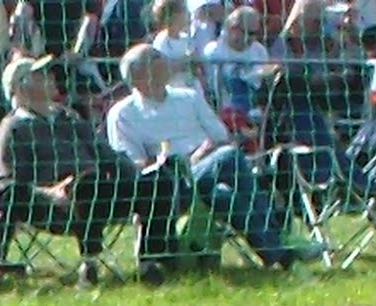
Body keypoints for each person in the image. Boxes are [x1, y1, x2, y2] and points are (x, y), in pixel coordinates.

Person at [101, 40, 299, 267]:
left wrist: (204, 152)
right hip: (168, 185)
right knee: (229, 156)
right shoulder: (123, 114)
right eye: (154, 59)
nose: (164, 62)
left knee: (224, 195)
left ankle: (277, 254)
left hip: (208, 168)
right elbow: (133, 165)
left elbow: (220, 135)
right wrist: (180, 160)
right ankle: (280, 239)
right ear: (137, 77)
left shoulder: (188, 97)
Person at [0, 53, 133, 281]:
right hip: (51, 206)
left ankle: (154, 261)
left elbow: (105, 154)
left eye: (47, 72)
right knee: (82, 186)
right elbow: (6, 181)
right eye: (39, 74)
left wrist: (138, 172)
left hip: (102, 193)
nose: (49, 77)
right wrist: (49, 191)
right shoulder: (13, 127)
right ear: (20, 87)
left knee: (157, 182)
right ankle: (89, 264)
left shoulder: (70, 118)